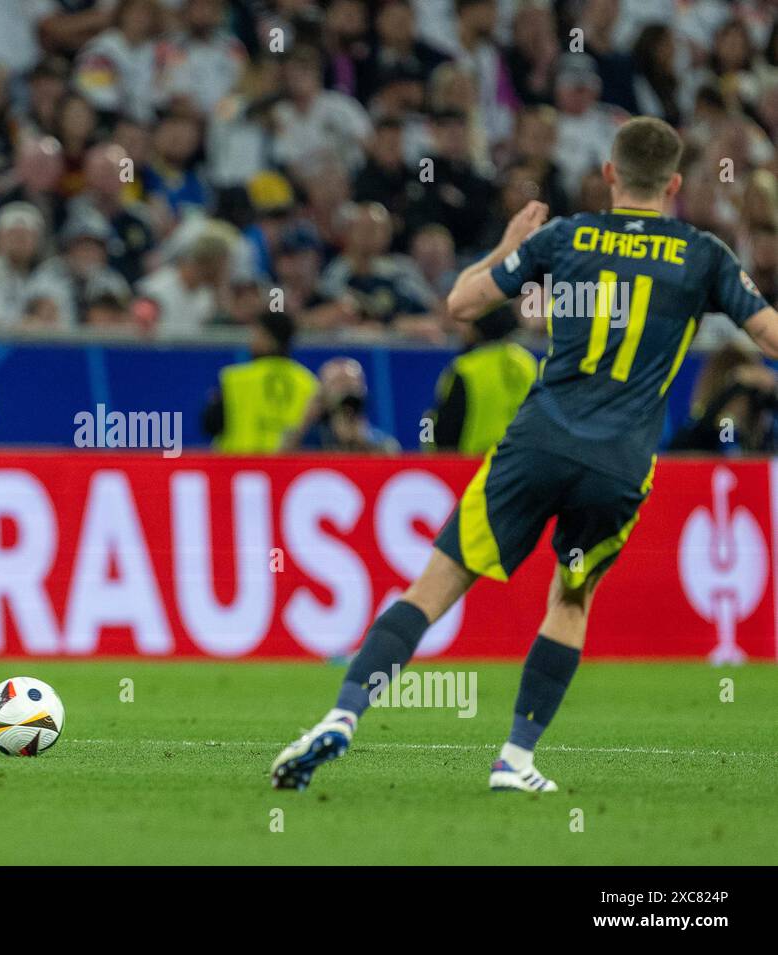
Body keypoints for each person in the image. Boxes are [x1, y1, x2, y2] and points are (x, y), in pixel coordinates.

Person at [271, 116, 778, 793]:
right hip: (620, 464)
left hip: (536, 442)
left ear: (608, 175)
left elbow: (460, 303)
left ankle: (342, 713)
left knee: (431, 587)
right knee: (570, 601)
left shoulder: (564, 236)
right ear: (676, 185)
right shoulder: (704, 254)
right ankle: (515, 758)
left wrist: (506, 244)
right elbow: (770, 335)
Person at [425, 306, 538, 454]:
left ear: (478, 326)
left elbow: (448, 426)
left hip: (476, 463)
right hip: (522, 459)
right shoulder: (528, 362)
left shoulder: (466, 368)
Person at [202, 311, 317, 454]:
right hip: (287, 469)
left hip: (239, 467)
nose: (251, 341)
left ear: (270, 339)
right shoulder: (308, 382)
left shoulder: (235, 379)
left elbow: (210, 424)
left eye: (256, 335)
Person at [282, 357, 400, 454]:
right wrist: (305, 420)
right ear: (322, 392)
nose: (346, 389)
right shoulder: (308, 440)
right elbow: (281, 463)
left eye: (352, 382)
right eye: (338, 382)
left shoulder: (380, 441)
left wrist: (362, 442)